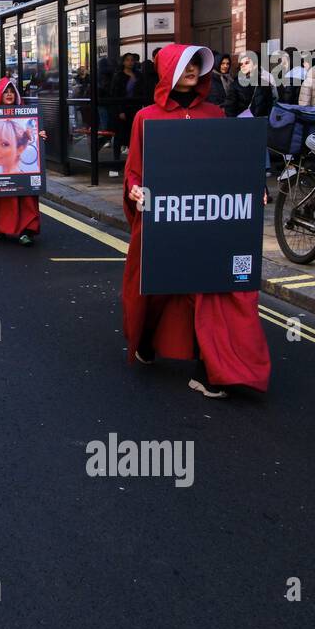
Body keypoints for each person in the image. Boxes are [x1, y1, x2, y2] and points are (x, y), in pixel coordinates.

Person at [122, 44, 271, 399]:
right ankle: (146, 337)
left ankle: (213, 368)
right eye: (185, 64)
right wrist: (135, 191)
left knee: (216, 294)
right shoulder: (146, 116)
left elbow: (229, 165)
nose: (193, 70)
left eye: (196, 65)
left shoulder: (216, 114)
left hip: (208, 223)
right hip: (162, 220)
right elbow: (134, 171)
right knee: (157, 291)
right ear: (169, 69)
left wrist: (251, 188)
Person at [0, 78, 47, 245]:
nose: (9, 94)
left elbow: (35, 134)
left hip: (22, 176)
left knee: (25, 200)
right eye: (6, 91)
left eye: (12, 91)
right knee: (0, 201)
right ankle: (1, 227)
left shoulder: (27, 115)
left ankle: (25, 231)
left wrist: (41, 136)